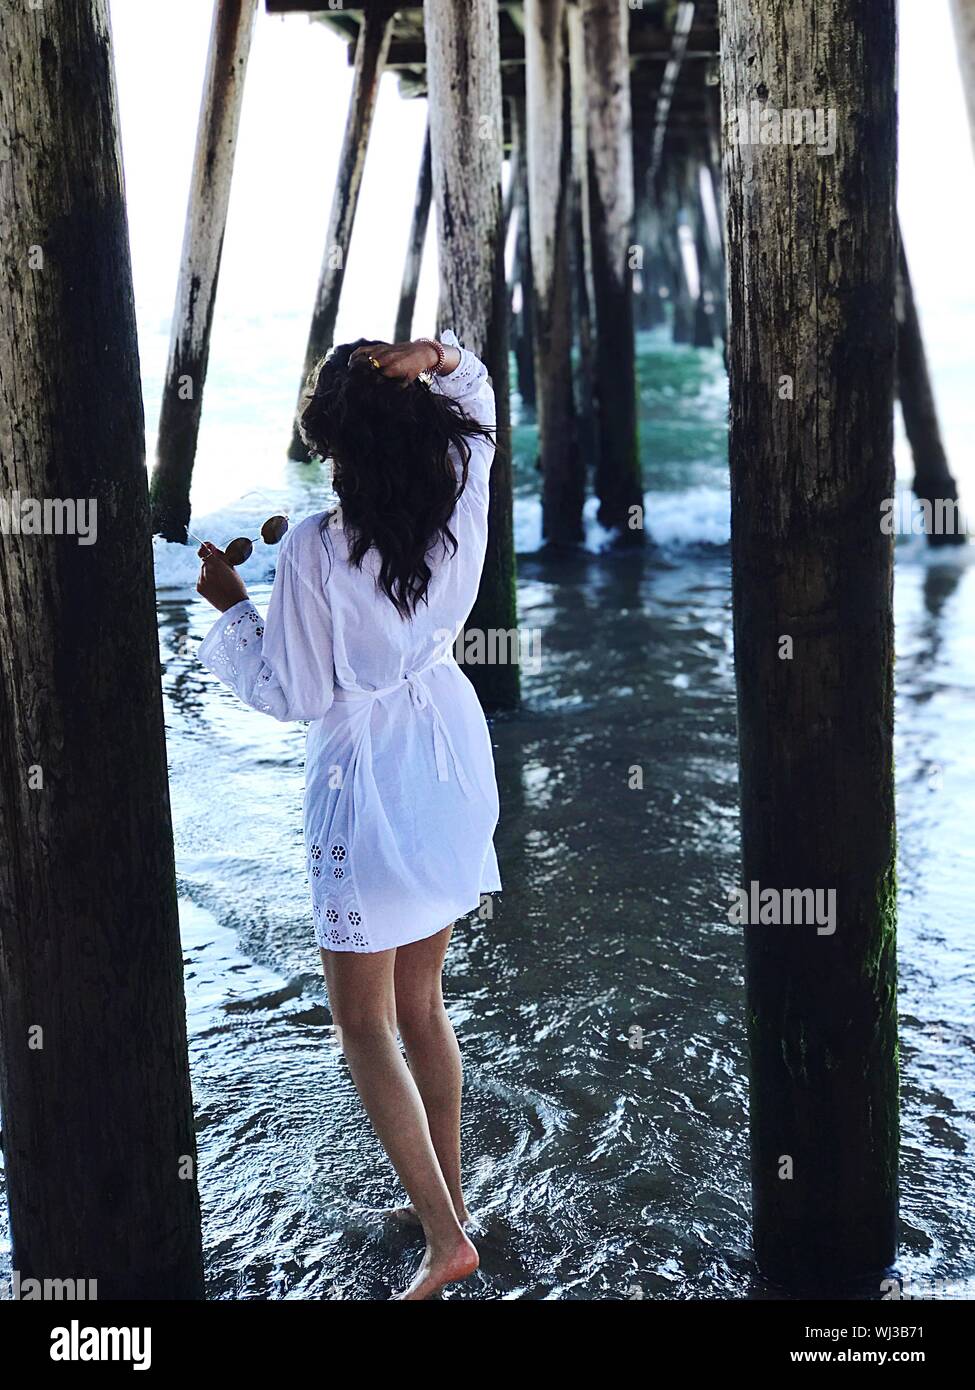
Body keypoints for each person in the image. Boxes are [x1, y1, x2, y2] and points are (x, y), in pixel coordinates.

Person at [195, 332, 502, 1300]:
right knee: (422, 1005)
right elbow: (481, 390)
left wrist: (234, 605)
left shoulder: (322, 549)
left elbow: (291, 692)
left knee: (363, 1025)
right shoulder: (461, 479)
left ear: (339, 450)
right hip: (449, 759)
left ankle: (446, 1241)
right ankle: (440, 1202)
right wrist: (431, 355)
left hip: (364, 783)